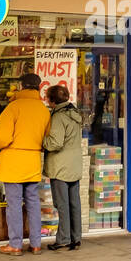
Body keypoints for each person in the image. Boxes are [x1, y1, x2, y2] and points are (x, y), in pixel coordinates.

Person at [0, 73, 51, 255]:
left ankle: (15, 244)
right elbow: (46, 138)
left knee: (14, 204)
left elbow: (2, 138)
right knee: (33, 202)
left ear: (21, 86)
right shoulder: (43, 109)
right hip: (33, 160)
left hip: (13, 161)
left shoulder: (13, 107)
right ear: (39, 88)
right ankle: (36, 244)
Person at [42, 84, 84, 251]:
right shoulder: (74, 113)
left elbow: (55, 143)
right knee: (74, 203)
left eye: (47, 97)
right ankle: (76, 237)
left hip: (60, 166)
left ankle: (63, 239)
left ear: (52, 100)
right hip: (74, 164)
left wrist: (42, 141)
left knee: (62, 204)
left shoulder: (58, 117)